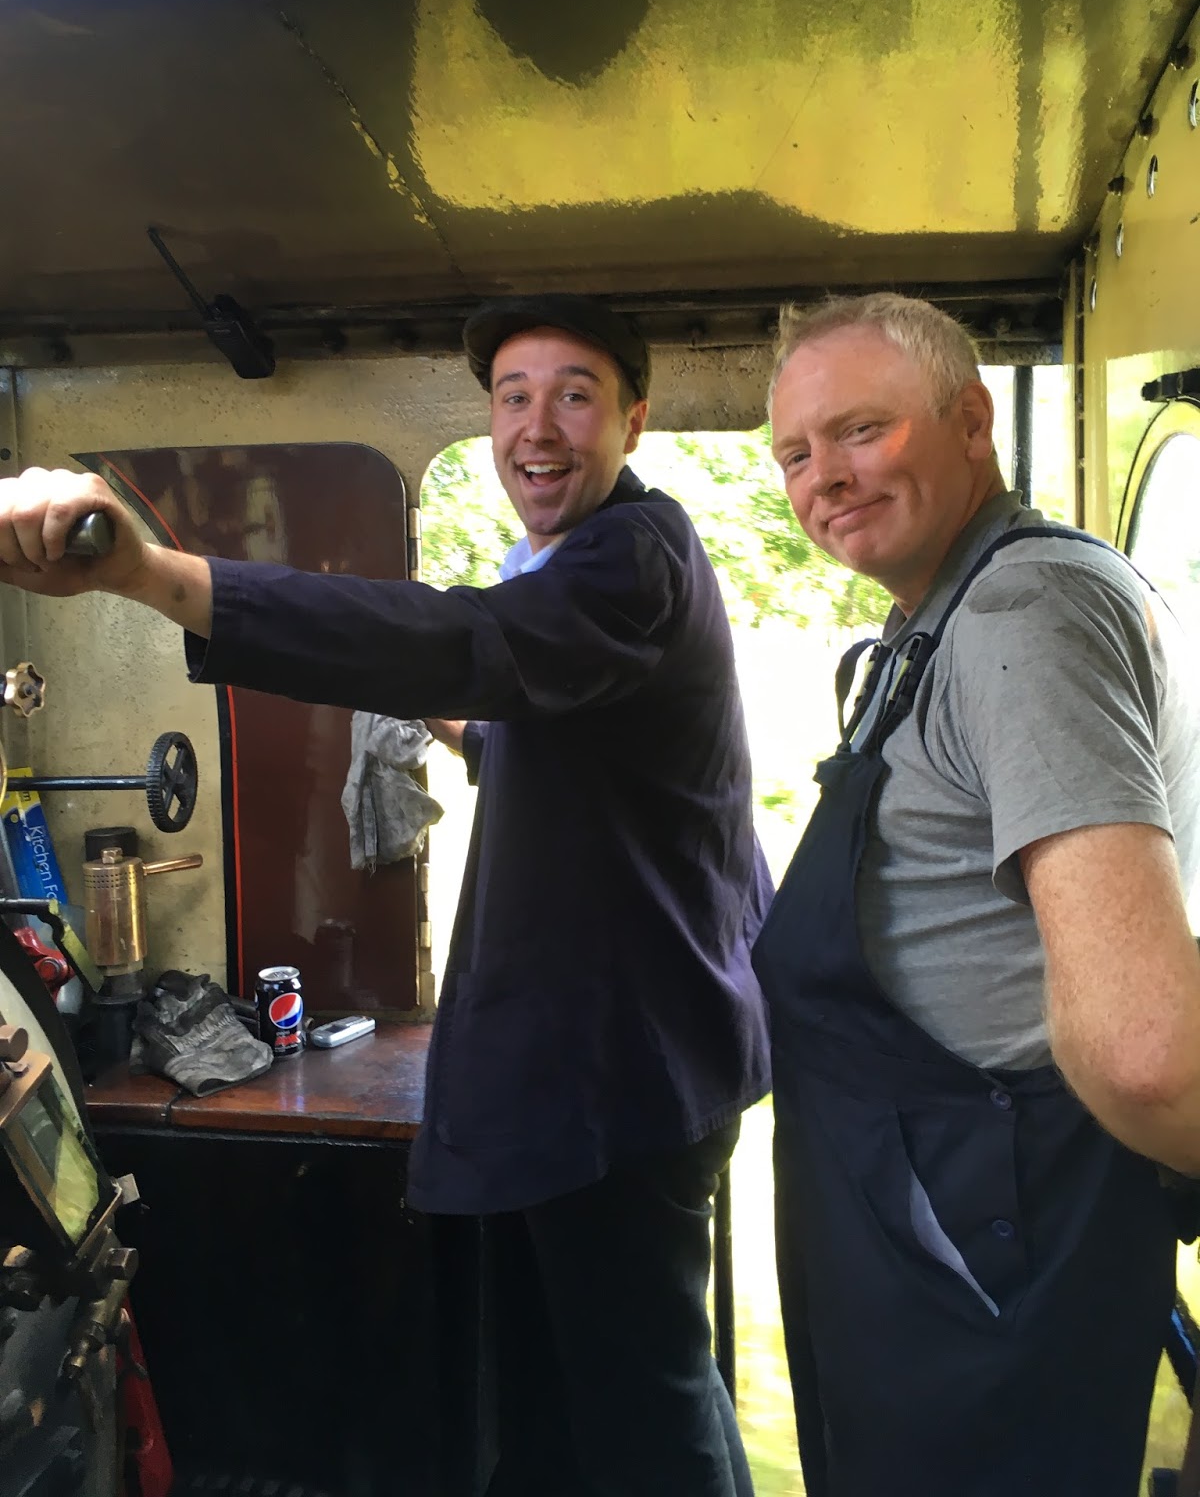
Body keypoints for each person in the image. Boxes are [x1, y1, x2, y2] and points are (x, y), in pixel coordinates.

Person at [0, 294, 770, 1497]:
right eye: (513, 395)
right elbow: (525, 715)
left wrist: (156, 575)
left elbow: (472, 642)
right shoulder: (571, 567)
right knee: (629, 1379)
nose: (537, 426)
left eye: (575, 393)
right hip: (622, 1059)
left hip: (616, 1070)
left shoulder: (635, 555)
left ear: (636, 416)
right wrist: (435, 713)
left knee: (635, 1408)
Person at [755, 292, 1200, 1497]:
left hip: (990, 1264)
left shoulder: (1022, 614)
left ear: (968, 422)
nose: (823, 478)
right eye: (795, 454)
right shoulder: (932, 622)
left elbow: (1149, 1050)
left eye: (860, 431)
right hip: (934, 1239)